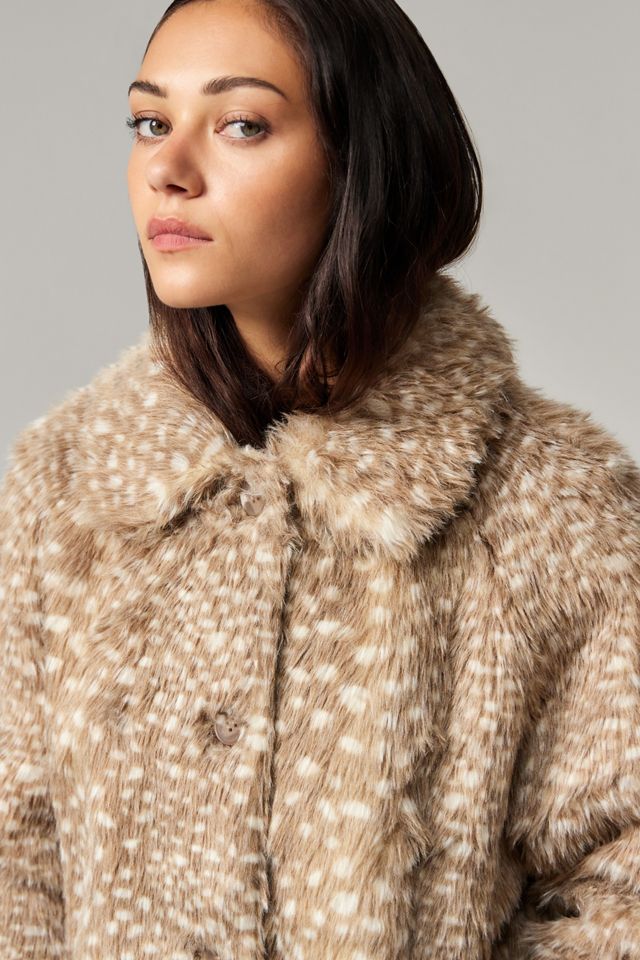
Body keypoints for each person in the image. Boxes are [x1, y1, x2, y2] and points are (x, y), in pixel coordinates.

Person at [1, 0, 638, 958]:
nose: (169, 169)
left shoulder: (548, 503)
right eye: (150, 121)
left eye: (240, 124)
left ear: (363, 160)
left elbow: (625, 884)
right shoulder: (65, 487)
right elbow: (16, 854)